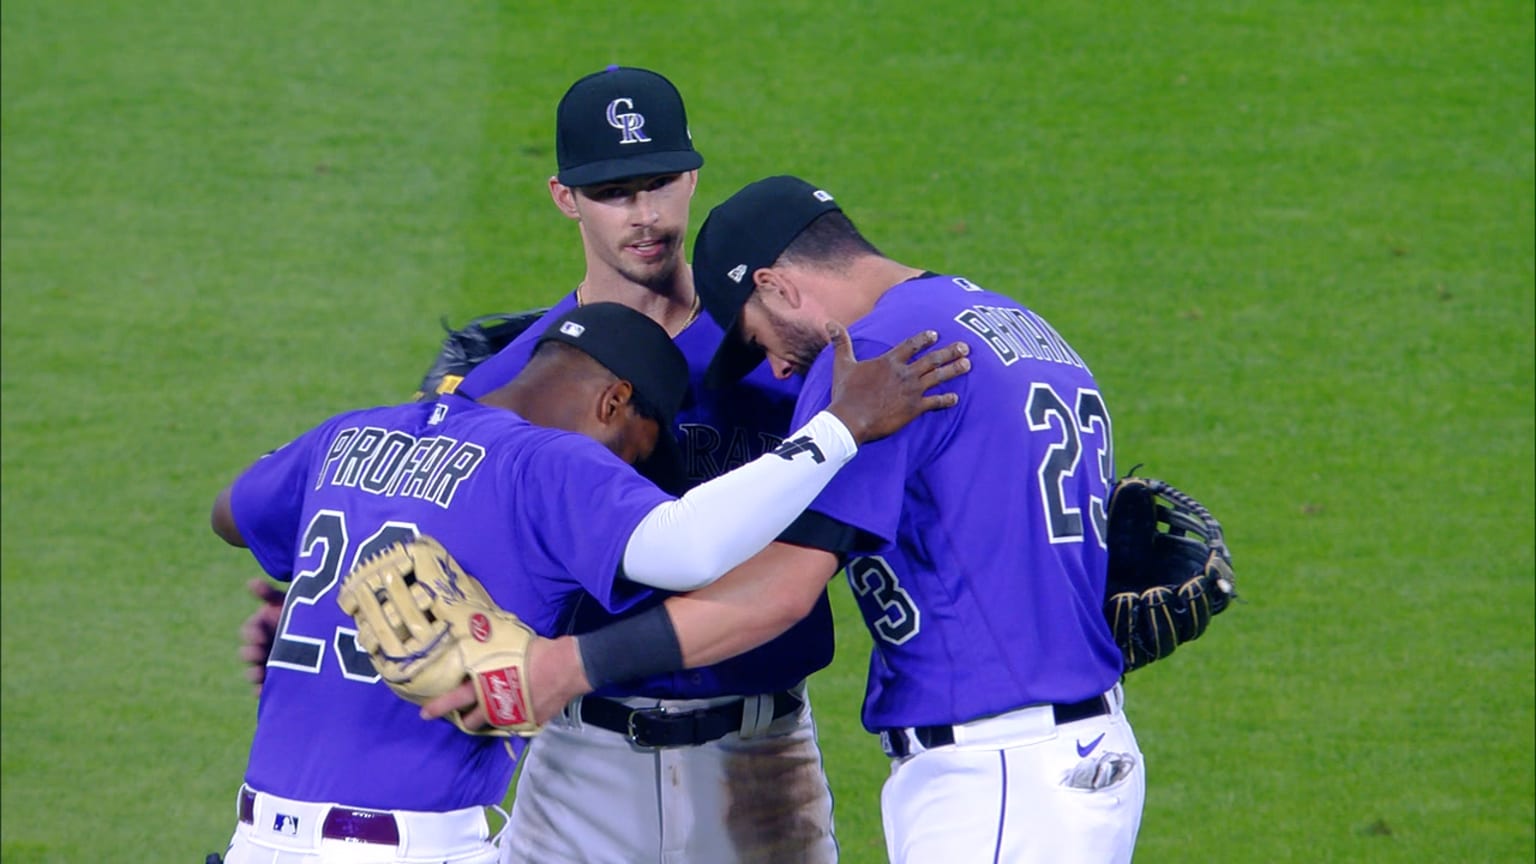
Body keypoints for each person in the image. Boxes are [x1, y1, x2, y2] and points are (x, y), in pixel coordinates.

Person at [488, 175, 1147, 863]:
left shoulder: (879, 363)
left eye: (756, 337)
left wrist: (572, 663)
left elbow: (776, 593)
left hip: (1001, 770)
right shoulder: (1011, 323)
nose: (776, 369)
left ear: (776, 286)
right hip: (1073, 751)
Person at [211, 301, 968, 863]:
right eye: (637, 450)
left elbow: (231, 515)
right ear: (613, 403)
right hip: (414, 845)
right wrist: (840, 428)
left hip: (257, 838)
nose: (628, 473)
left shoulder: (351, 435)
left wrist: (324, 594)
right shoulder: (545, 462)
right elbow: (688, 546)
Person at [440, 67, 849, 863]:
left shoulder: (781, 353)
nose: (645, 215)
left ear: (692, 176)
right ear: (565, 198)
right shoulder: (511, 384)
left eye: (660, 182)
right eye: (613, 192)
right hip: (580, 764)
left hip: (763, 761)